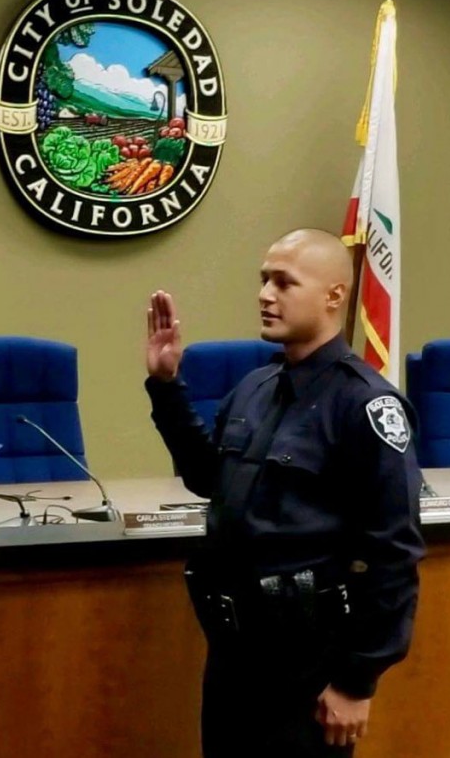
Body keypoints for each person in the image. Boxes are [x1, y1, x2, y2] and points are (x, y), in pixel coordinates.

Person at [143, 228, 424, 757]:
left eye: (284, 282)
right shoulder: (255, 387)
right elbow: (209, 478)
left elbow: (395, 553)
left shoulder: (365, 406)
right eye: (263, 280)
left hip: (309, 664)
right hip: (233, 654)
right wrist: (167, 386)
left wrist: (357, 682)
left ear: (334, 296)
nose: (265, 294)